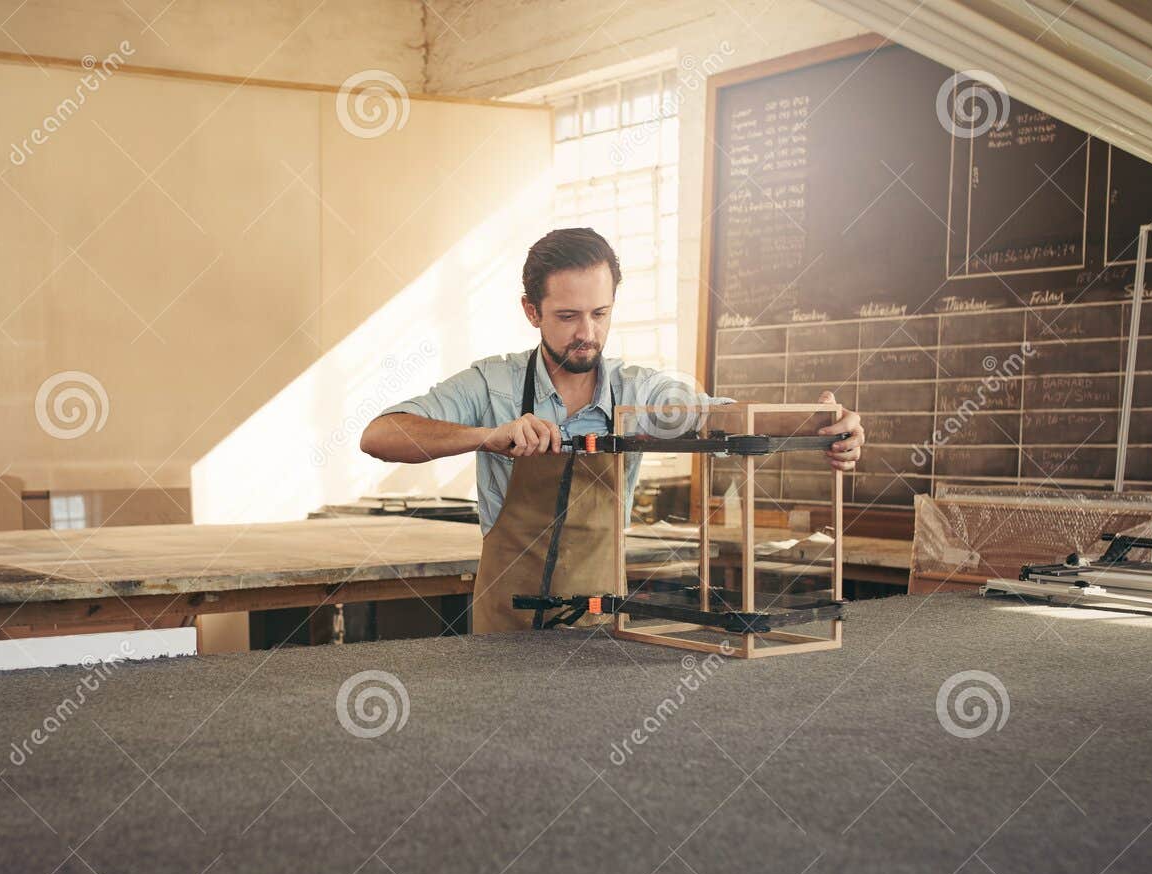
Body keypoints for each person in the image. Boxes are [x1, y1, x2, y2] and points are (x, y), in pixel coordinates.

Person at [359, 227, 864, 634]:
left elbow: (720, 416)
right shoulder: (492, 384)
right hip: (501, 635)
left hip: (603, 633)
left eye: (601, 314)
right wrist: (485, 436)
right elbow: (380, 435)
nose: (587, 333)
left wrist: (822, 421)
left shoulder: (640, 391)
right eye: (567, 316)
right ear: (531, 312)